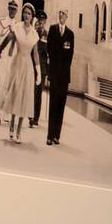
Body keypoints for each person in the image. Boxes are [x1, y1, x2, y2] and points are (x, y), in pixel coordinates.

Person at [0, 3, 41, 144]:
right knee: (14, 95)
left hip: (27, 67)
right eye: (25, 12)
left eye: (29, 13)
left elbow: (36, 54)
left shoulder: (34, 34)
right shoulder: (17, 28)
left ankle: (19, 131)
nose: (26, 15)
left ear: (32, 17)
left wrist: (38, 72)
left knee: (23, 97)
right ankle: (11, 130)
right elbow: (8, 40)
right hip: (17, 64)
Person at [46, 9, 75, 146]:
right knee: (52, 104)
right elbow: (49, 50)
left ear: (67, 17)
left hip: (64, 77)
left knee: (61, 106)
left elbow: (70, 57)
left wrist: (63, 72)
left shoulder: (70, 34)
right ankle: (49, 136)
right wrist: (52, 71)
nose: (61, 16)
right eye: (60, 14)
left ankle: (57, 135)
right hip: (54, 74)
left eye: (64, 14)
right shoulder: (52, 29)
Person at [0, 0, 18, 126]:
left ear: (17, 11)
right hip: (2, 58)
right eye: (11, 8)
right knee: (0, 84)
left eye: (15, 9)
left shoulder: (18, 26)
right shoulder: (1, 22)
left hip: (13, 60)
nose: (12, 11)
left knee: (8, 86)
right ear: (8, 9)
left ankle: (5, 113)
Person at [31, 10, 49, 129]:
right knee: (30, 90)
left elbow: (48, 53)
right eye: (39, 20)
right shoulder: (32, 32)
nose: (41, 22)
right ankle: (28, 114)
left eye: (43, 20)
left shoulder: (47, 35)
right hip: (31, 65)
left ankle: (35, 118)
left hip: (42, 68)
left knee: (38, 93)